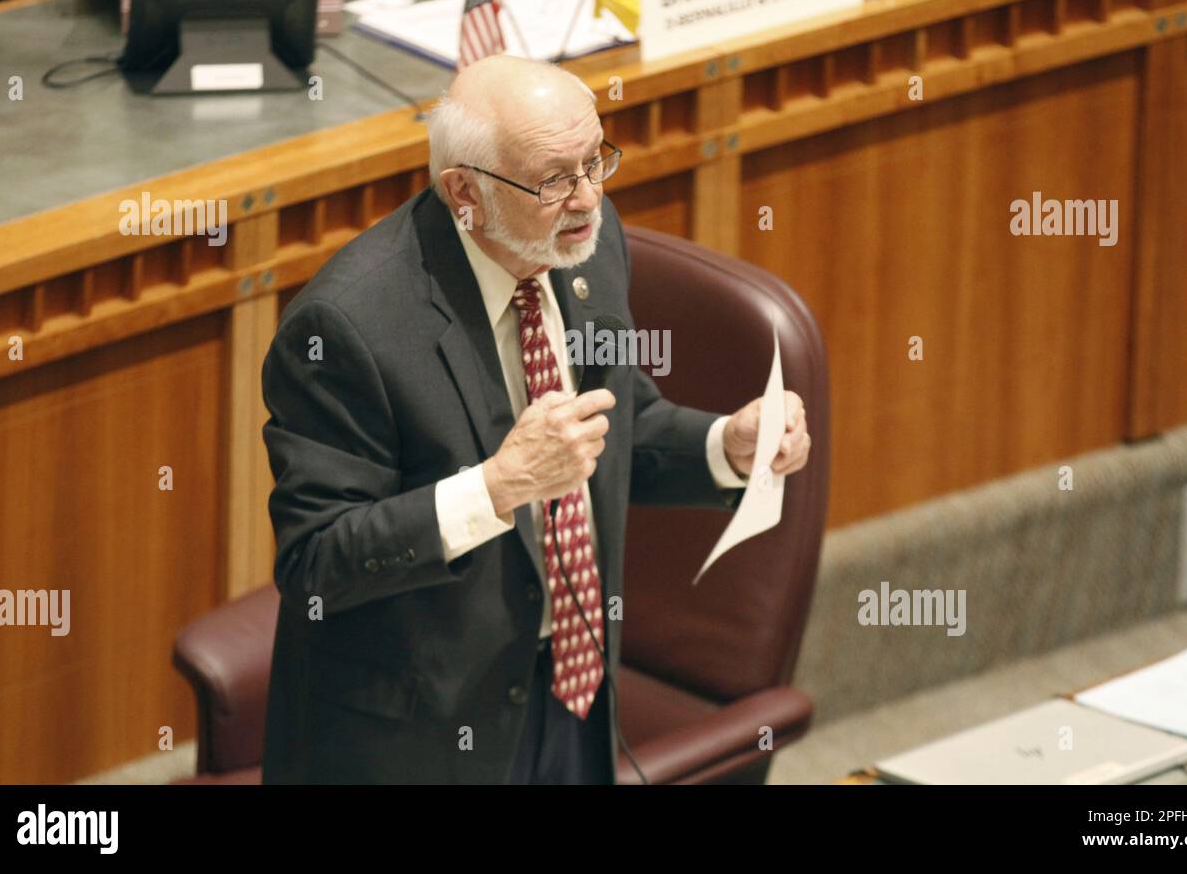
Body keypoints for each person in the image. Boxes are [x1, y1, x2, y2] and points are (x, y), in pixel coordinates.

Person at [259, 53, 811, 784]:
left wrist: (724, 446)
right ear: (465, 193)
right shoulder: (347, 327)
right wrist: (496, 487)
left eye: (596, 162)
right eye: (555, 178)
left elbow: (617, 425)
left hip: (573, 689)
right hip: (421, 736)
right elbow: (317, 562)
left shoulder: (588, 246)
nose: (587, 198)